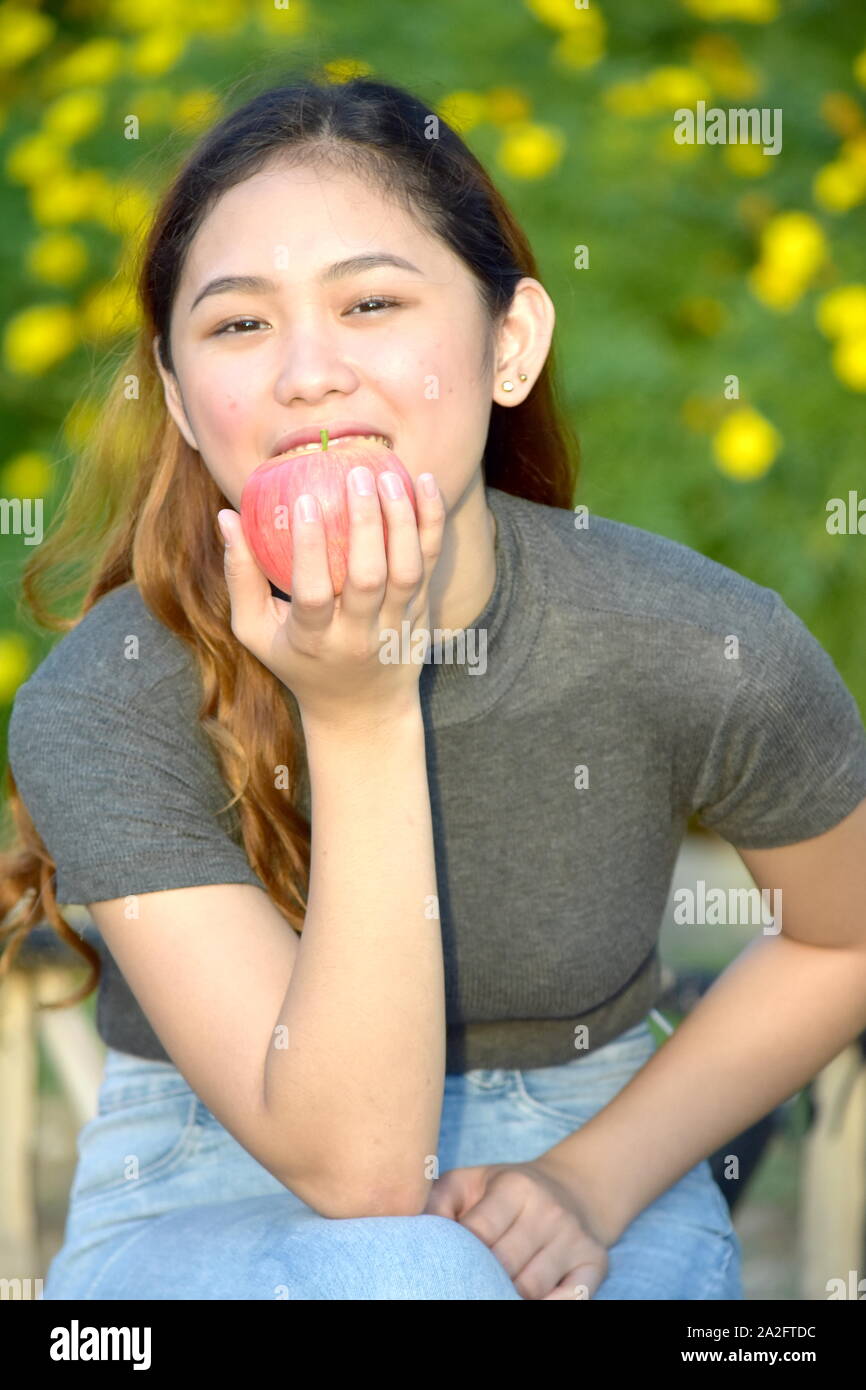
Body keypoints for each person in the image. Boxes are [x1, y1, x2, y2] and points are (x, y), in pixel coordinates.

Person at [3, 72, 866, 1302]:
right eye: (239, 325)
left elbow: (843, 934)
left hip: (596, 1131)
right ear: (184, 403)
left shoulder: (695, 639)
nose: (309, 372)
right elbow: (361, 1179)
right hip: (208, 1167)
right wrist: (360, 714)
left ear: (508, 343)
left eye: (370, 301)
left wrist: (595, 1174)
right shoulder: (109, 696)